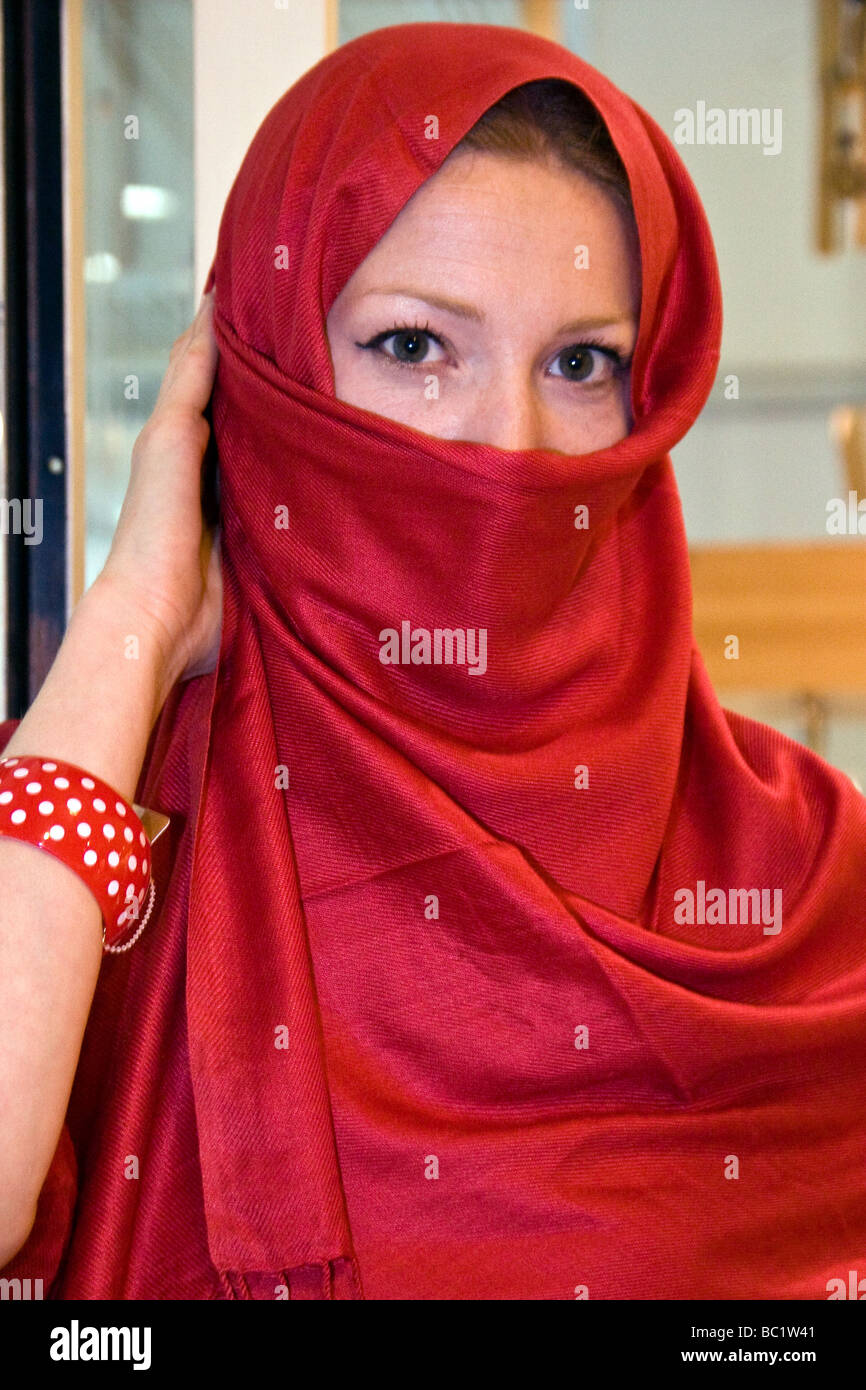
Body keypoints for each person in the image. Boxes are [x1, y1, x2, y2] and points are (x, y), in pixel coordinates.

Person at [1, 21, 864, 1301]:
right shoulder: (106, 852)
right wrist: (131, 622)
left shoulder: (804, 877)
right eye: (413, 347)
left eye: (581, 362)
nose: (501, 445)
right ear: (269, 366)